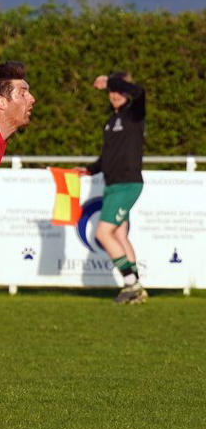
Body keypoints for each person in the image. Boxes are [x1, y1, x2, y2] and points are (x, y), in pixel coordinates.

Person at [77, 72, 147, 304]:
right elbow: (106, 157)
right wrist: (89, 170)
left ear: (126, 92)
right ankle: (137, 289)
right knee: (118, 234)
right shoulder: (110, 121)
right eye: (111, 92)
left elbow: (140, 92)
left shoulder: (135, 114)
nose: (115, 95)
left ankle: (130, 283)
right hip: (113, 185)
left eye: (119, 91)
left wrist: (110, 81)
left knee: (102, 233)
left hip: (127, 184)